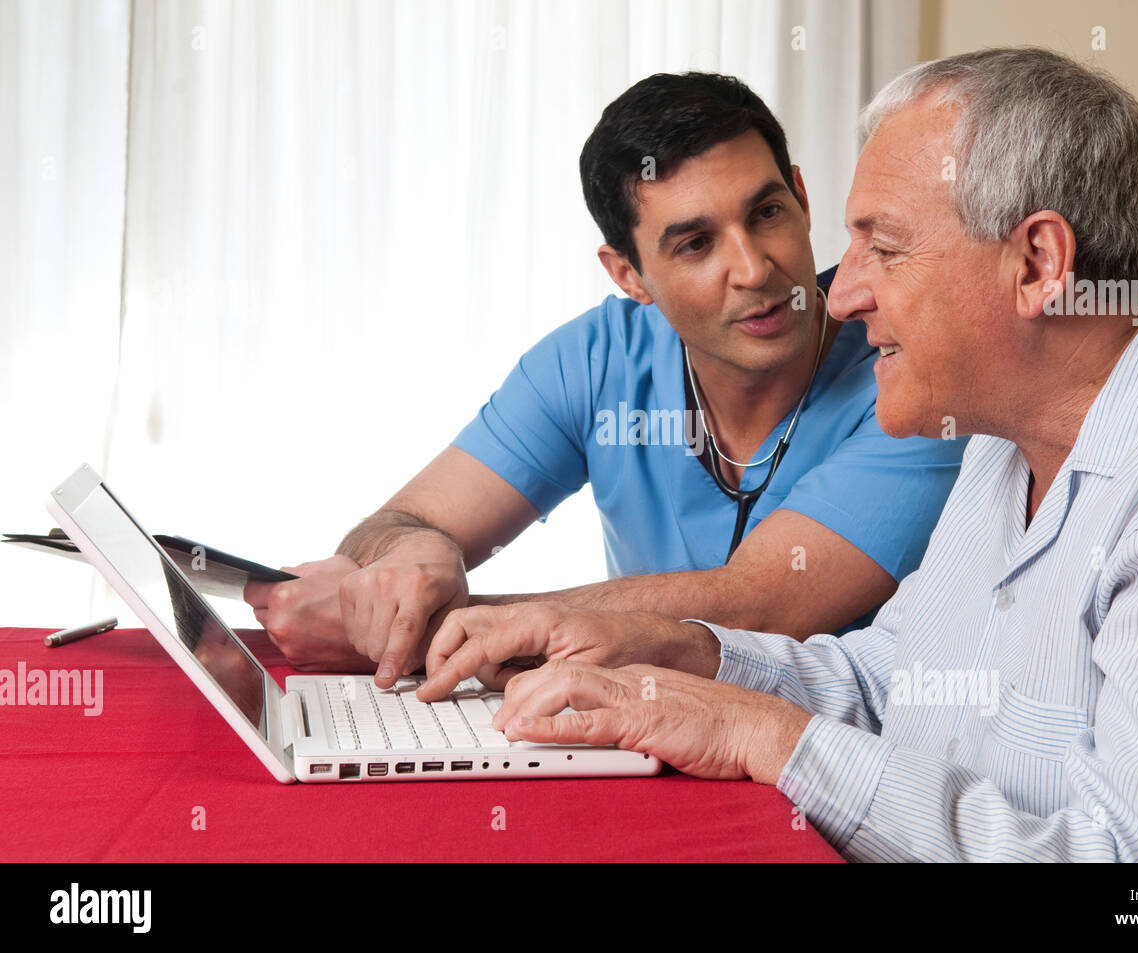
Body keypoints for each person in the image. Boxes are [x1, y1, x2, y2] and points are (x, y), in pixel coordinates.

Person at [412, 48, 1138, 862]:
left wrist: (764, 735)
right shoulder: (1007, 428)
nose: (843, 295)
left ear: (1036, 263)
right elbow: (897, 686)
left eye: (884, 246)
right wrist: (681, 656)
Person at [244, 71, 968, 685]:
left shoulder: (910, 358)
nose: (753, 269)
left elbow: (756, 605)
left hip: (844, 777)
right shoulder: (596, 359)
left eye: (767, 212)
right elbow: (393, 526)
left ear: (805, 200)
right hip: (656, 746)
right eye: (694, 243)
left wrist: (425, 630)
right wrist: (414, 558)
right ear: (629, 274)